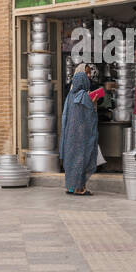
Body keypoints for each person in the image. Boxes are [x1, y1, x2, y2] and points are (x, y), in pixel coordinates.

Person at [60, 63, 104, 196]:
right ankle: (80, 188)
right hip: (82, 136)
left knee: (72, 159)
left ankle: (71, 187)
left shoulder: (70, 96)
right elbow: (89, 116)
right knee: (82, 159)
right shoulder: (84, 96)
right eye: (87, 74)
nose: (89, 76)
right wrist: (93, 102)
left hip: (70, 135)